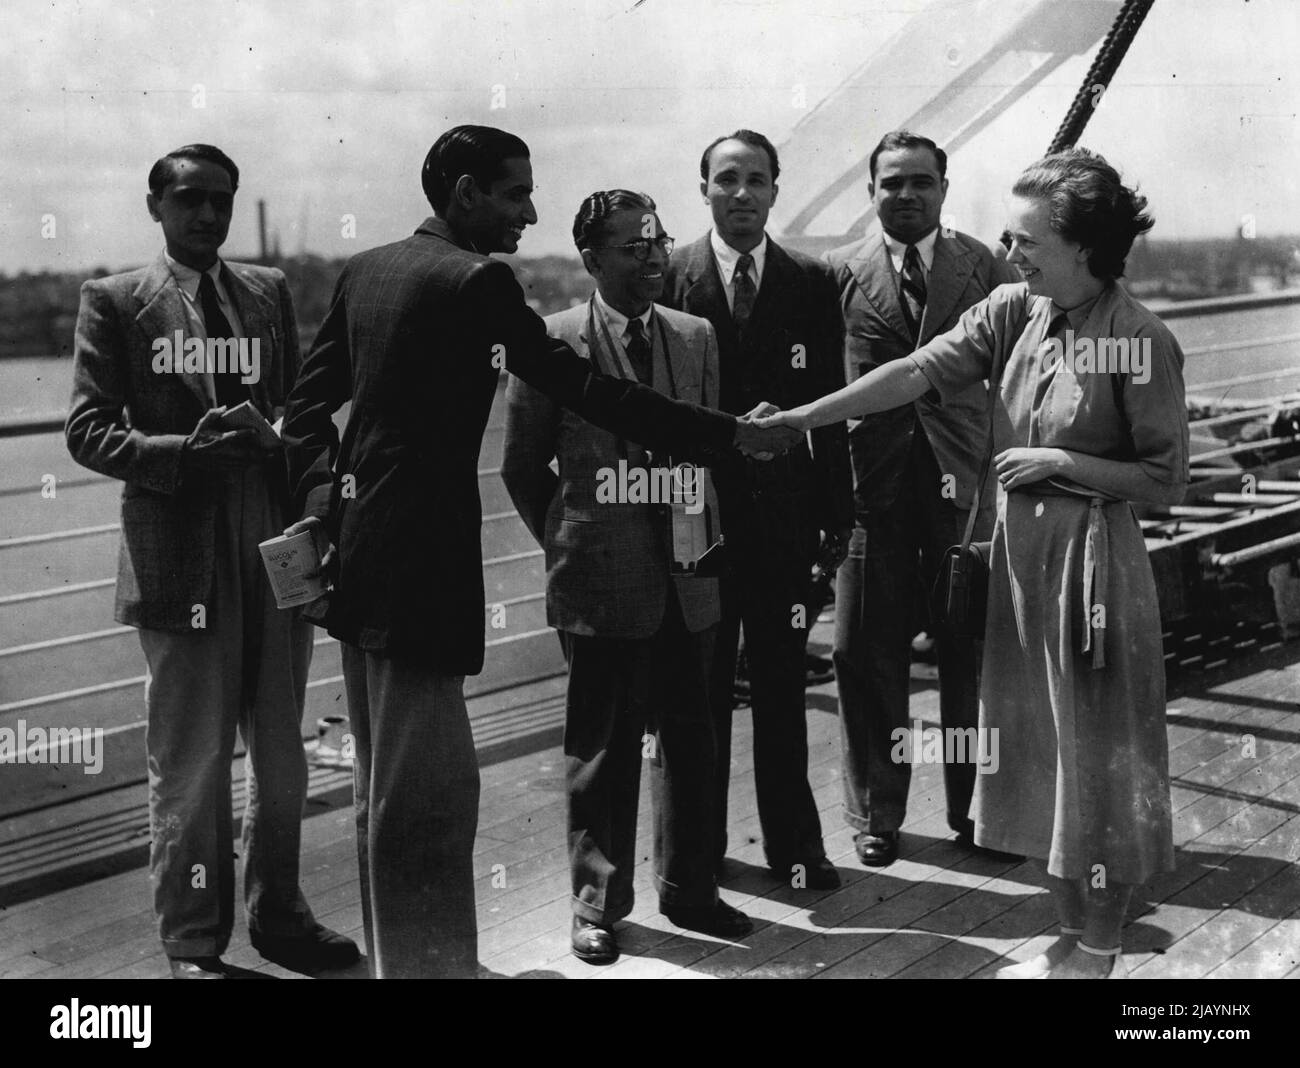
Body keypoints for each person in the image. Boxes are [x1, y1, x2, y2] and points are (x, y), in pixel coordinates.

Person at [280, 126, 797, 978]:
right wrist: (732, 435)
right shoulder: (478, 279)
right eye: (514, 194)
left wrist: (318, 507)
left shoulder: (367, 266)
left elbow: (306, 410)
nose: (529, 212)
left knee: (386, 784)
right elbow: (583, 386)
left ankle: (405, 962)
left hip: (355, 558)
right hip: (421, 567)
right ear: (462, 193)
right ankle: (432, 971)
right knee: (433, 794)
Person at [756, 147, 1189, 978]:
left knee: (1091, 762)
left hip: (1091, 572)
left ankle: (1099, 946)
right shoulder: (1012, 311)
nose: (1010, 251)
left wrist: (1063, 465)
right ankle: (1067, 930)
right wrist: (805, 416)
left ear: (1083, 247)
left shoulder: (1137, 337)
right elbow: (916, 371)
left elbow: (1166, 477)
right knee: (1030, 753)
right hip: (1021, 570)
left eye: (1025, 239)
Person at [66, 144, 359, 979]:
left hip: (272, 538)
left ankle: (281, 915)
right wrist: (185, 452)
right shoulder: (115, 300)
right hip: (181, 549)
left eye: (221, 200)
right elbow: (88, 431)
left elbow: (304, 414)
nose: (207, 215)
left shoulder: (265, 292)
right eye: (189, 199)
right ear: (155, 204)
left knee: (282, 751)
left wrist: (313, 501)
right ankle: (193, 942)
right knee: (191, 761)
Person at [502, 190, 752, 965]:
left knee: (694, 738)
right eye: (633, 247)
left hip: (688, 577)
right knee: (603, 749)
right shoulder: (552, 342)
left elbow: (706, 451)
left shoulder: (697, 337)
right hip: (599, 583)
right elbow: (520, 468)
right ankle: (596, 904)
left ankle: (691, 888)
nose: (652, 258)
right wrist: (575, 541)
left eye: (658, 243)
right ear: (591, 259)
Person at [823, 131, 1020, 868]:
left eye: (920, 183)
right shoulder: (838, 271)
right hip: (870, 488)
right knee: (863, 650)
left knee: (969, 651)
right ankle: (876, 813)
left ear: (943, 187)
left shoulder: (987, 266)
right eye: (891, 183)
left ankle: (978, 813)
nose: (906, 196)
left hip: (962, 490)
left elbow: (1018, 371)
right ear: (870, 190)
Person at [663, 130, 853, 890]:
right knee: (699, 693)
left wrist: (837, 511)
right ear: (702, 188)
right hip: (697, 518)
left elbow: (831, 404)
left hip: (783, 518)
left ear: (777, 190)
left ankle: (796, 846)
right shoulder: (670, 274)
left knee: (780, 684)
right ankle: (698, 852)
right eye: (726, 179)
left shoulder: (811, 279)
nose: (742, 194)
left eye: (757, 180)